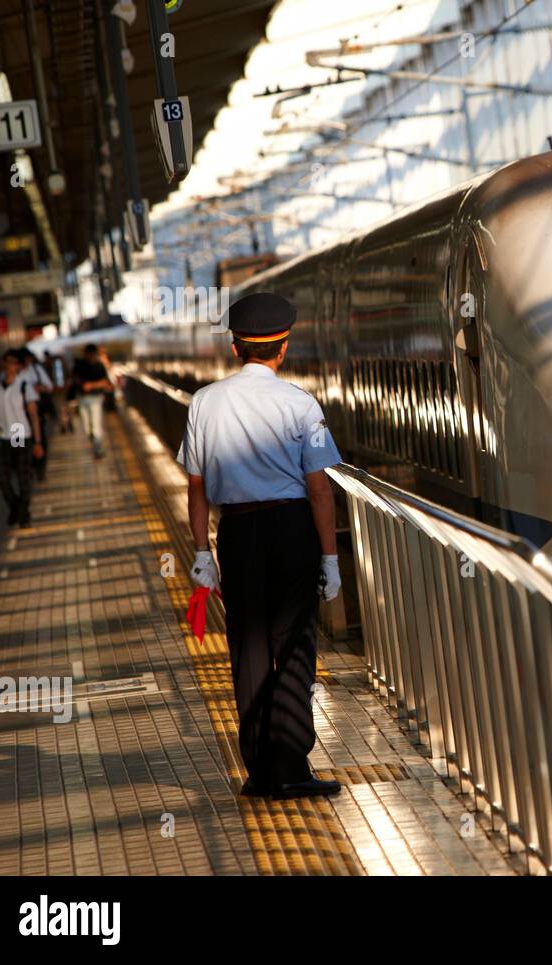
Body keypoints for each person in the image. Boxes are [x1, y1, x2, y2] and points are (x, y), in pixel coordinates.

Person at [178, 292, 343, 800]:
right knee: (293, 644)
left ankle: (259, 771)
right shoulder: (300, 404)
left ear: (235, 348)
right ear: (283, 348)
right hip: (292, 530)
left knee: (247, 647)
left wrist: (202, 553)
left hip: (238, 533)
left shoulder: (204, 402)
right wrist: (331, 559)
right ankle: (292, 764)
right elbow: (319, 488)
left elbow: (197, 487)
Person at [0, 350, 44, 527]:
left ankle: (23, 513)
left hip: (18, 431)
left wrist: (38, 442)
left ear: (19, 366)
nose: (9, 366)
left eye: (13, 363)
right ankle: (15, 506)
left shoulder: (24, 385)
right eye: (6, 361)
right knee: (2, 476)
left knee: (23, 475)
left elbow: (34, 414)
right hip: (2, 433)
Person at [70, 344, 114, 459]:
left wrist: (91, 385)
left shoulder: (100, 366)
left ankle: (98, 449)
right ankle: (95, 443)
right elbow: (73, 379)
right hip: (82, 398)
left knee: (96, 425)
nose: (90, 356)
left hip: (96, 398)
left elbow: (106, 382)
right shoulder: (79, 365)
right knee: (86, 427)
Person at [20, 350, 54, 481]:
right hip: (16, 423)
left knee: (38, 441)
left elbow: (49, 387)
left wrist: (40, 388)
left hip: (34, 415)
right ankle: (24, 471)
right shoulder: (9, 380)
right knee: (18, 448)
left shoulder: (35, 370)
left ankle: (39, 467)